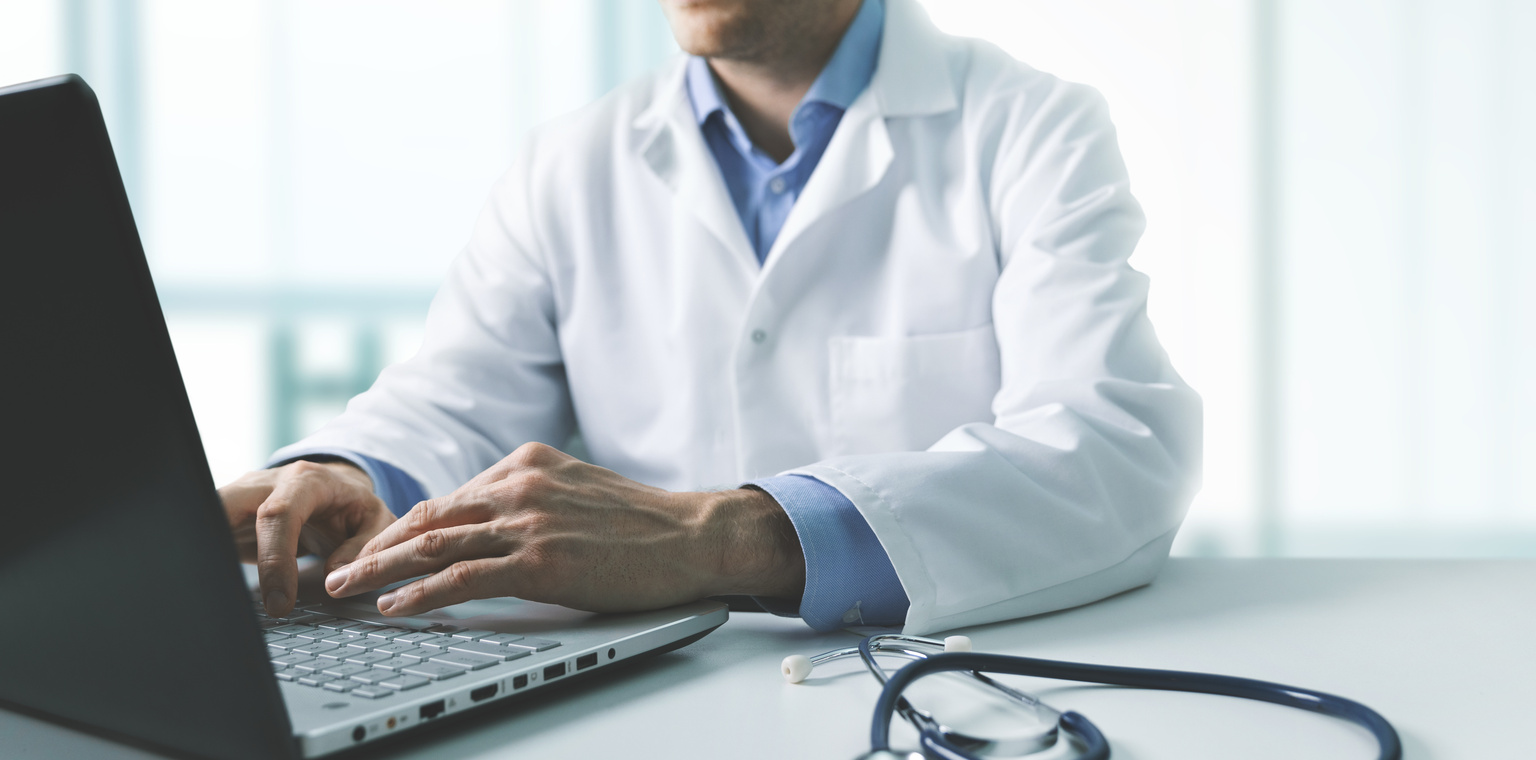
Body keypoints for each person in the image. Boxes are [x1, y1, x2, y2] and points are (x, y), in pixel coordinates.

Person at [222, 0, 1202, 636]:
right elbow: (456, 394)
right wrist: (347, 477)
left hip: (937, 694)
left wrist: (720, 538)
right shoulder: (570, 163)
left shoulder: (1029, 129)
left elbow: (1113, 451)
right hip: (644, 707)